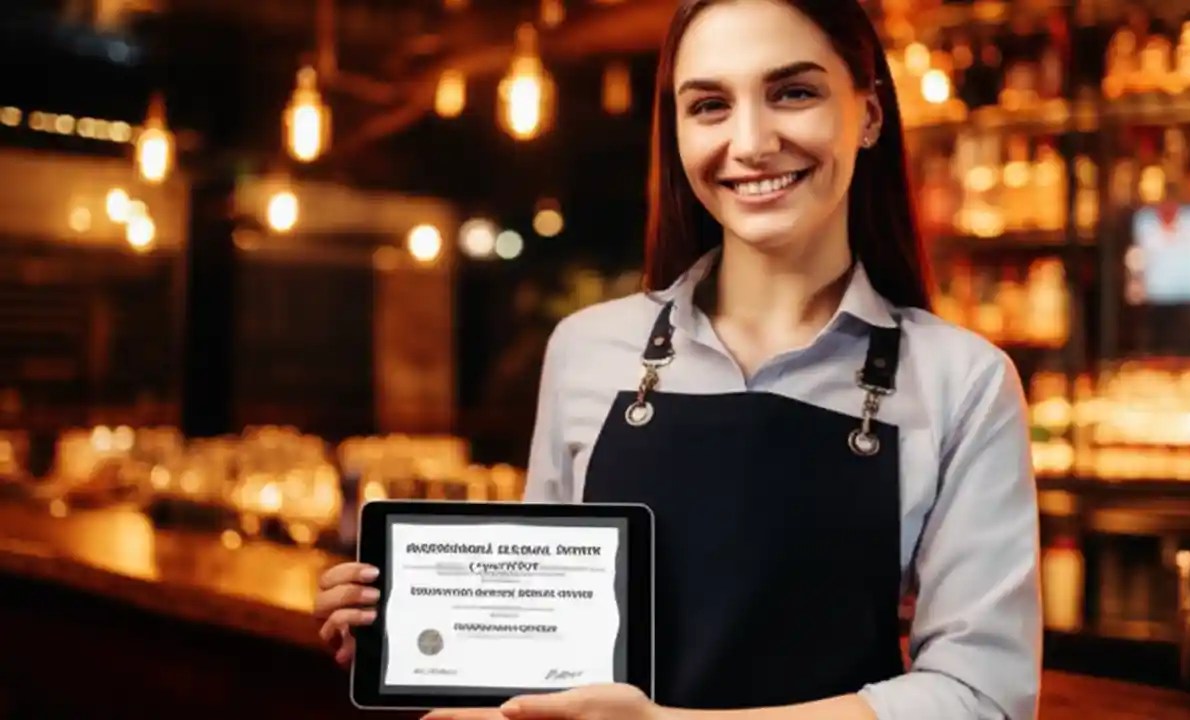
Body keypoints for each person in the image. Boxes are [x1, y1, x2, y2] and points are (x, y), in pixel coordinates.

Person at [313, 0, 1042, 718]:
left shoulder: (963, 381)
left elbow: (980, 697)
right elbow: (544, 653)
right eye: (709, 106)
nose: (751, 141)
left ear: (871, 114)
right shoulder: (586, 349)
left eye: (793, 92)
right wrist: (404, 630)